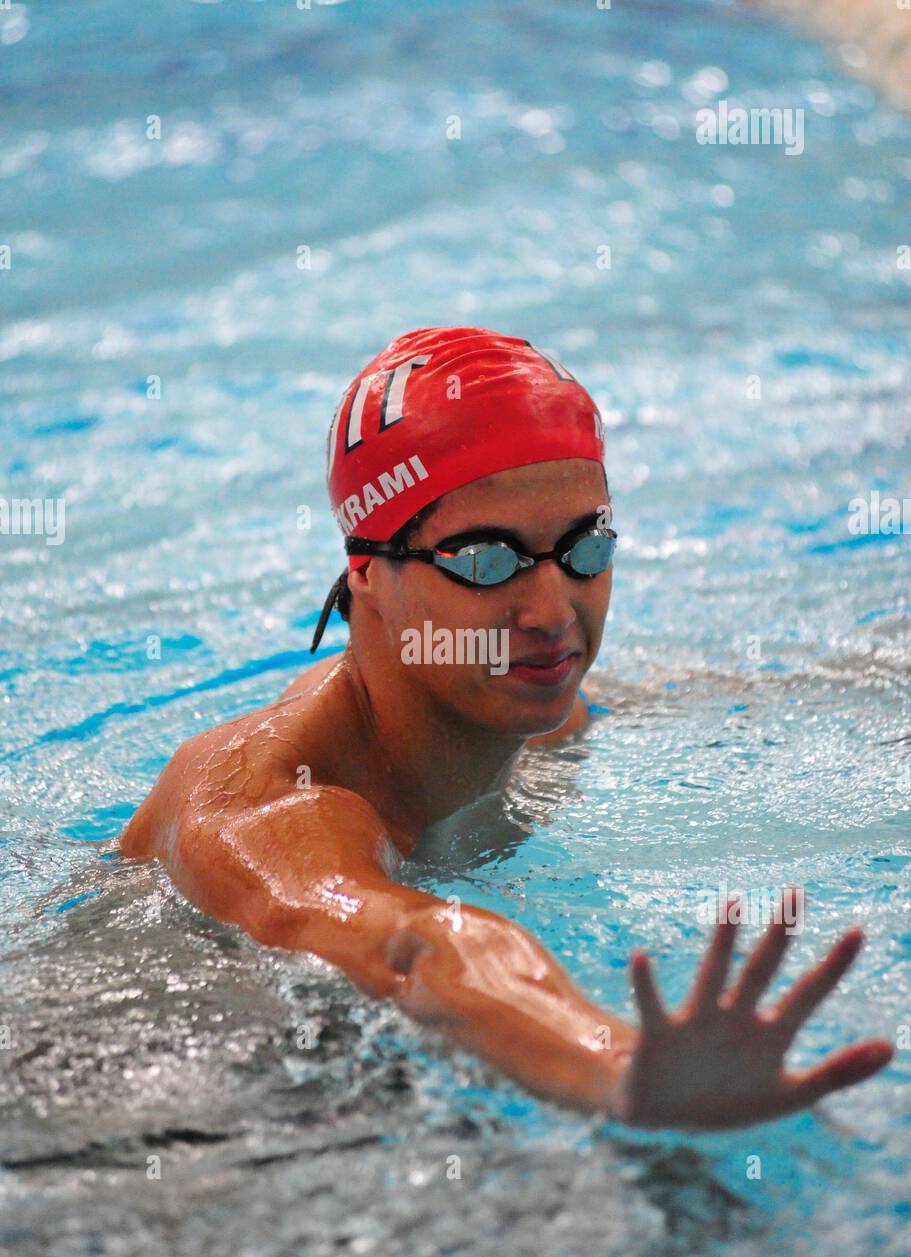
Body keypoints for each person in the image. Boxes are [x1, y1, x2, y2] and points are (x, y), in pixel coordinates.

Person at [119, 326, 892, 1130]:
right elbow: (423, 951)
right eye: (488, 560)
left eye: (584, 549)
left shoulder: (514, 698)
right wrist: (618, 1068)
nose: (554, 614)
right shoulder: (275, 810)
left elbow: (680, 697)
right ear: (366, 567)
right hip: (145, 1109)